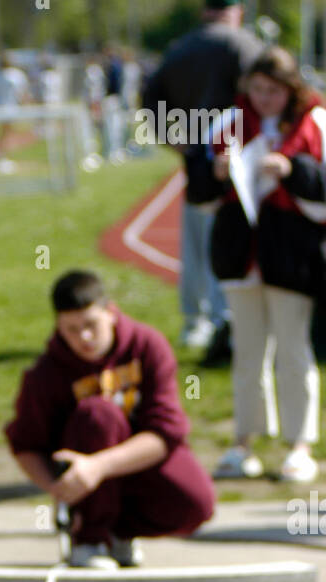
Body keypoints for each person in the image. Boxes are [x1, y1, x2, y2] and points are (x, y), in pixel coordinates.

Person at [5, 270, 215, 569]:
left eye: (90, 324)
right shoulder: (45, 373)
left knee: (197, 502)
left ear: (111, 312)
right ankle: (88, 539)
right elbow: (25, 443)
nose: (84, 338)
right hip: (81, 475)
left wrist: (99, 466)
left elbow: (166, 432)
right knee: (98, 414)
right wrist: (58, 489)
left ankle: (120, 533)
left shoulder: (147, 346)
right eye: (71, 329)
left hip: (138, 464)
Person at [207, 48, 326, 483]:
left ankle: (299, 445)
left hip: (292, 254)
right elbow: (197, 187)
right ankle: (244, 441)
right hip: (241, 253)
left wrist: (292, 169)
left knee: (294, 350)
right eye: (256, 89)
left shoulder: (316, 123)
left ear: (291, 89)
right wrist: (218, 171)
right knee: (248, 353)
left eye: (273, 91)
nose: (263, 98)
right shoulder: (229, 122)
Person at [141, 2, 262, 363]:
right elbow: (260, 96)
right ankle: (224, 320)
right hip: (233, 159)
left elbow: (149, 99)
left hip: (195, 155)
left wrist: (173, 139)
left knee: (194, 242)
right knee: (228, 241)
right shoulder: (242, 44)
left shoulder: (179, 47)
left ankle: (195, 320)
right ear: (235, 9)